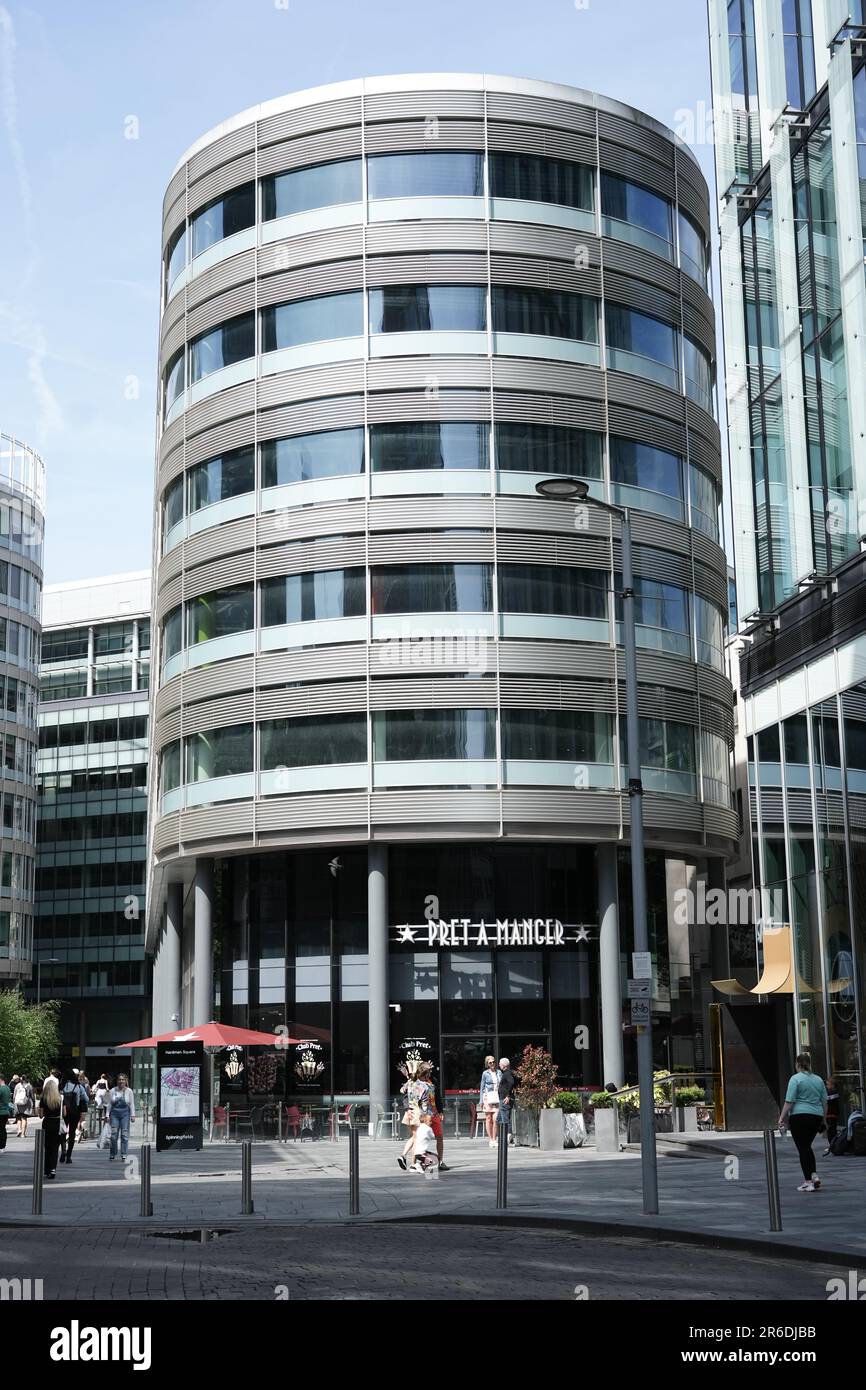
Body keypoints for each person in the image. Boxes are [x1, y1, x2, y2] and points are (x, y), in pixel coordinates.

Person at [779, 1052, 828, 1192]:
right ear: (809, 1064)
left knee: (803, 1148)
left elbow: (789, 1101)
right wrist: (823, 1119)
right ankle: (814, 1175)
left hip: (799, 1117)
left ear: (797, 1064)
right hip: (816, 1116)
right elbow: (825, 1102)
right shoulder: (818, 1080)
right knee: (807, 1146)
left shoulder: (795, 1079)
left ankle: (808, 1181)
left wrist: (782, 1117)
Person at [397, 1066, 433, 1172]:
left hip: (410, 1111)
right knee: (417, 1139)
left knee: (413, 1137)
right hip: (418, 1112)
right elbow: (425, 1105)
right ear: (425, 1075)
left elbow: (402, 1090)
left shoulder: (411, 1083)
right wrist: (426, 1117)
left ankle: (403, 1156)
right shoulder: (425, 1087)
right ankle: (413, 1164)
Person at [59, 1070, 88, 1165]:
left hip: (64, 1113)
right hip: (75, 1112)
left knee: (63, 1132)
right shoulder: (78, 1086)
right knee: (71, 1133)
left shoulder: (62, 1086)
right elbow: (86, 1099)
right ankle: (69, 1156)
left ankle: (63, 1150)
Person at [106, 1074, 136, 1161]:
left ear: (126, 1081)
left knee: (124, 1134)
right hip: (114, 1114)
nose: (121, 1081)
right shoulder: (112, 1091)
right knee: (114, 1135)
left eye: (123, 1080)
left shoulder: (129, 1091)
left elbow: (132, 1104)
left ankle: (124, 1153)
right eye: (119, 1079)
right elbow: (109, 1104)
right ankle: (113, 1153)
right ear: (117, 1081)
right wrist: (107, 1115)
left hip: (125, 1114)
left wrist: (133, 1115)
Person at [39, 1075, 62, 1179]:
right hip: (57, 1122)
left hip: (47, 1122)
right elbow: (64, 1113)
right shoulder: (60, 1099)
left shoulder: (43, 1099)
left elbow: (40, 1115)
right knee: (55, 1148)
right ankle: (53, 1169)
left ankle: (47, 1169)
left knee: (47, 1147)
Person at [478, 1055, 501, 1148]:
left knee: (495, 1119)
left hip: (497, 1097)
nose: (492, 1064)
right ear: (487, 1064)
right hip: (488, 1097)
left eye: (493, 1062)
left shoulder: (499, 1072)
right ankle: (490, 1139)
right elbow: (482, 1087)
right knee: (488, 1118)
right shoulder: (485, 1073)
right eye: (490, 1062)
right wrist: (481, 1100)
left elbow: (502, 1084)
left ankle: (494, 1139)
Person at [496, 1057, 516, 1139]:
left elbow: (511, 1082)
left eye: (500, 1063)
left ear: (504, 1065)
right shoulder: (508, 1073)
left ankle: (507, 1135)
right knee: (499, 1118)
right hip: (503, 1098)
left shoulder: (507, 1073)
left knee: (504, 1118)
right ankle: (503, 1136)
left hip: (504, 1099)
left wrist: (508, 1095)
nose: (499, 1065)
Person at [822, 1076, 841, 1157]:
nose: (826, 1086)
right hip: (830, 1115)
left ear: (833, 1086)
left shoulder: (834, 1093)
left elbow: (827, 1100)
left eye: (828, 1085)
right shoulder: (830, 1093)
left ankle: (832, 1146)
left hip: (832, 1115)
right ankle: (832, 1145)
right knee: (831, 1131)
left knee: (831, 1131)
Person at [0, 1074, 12, 1151]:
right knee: (3, 1129)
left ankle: (1, 1145)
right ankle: (3, 1146)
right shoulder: (8, 1088)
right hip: (6, 1112)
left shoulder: (1, 1089)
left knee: (0, 1130)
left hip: (0, 1111)